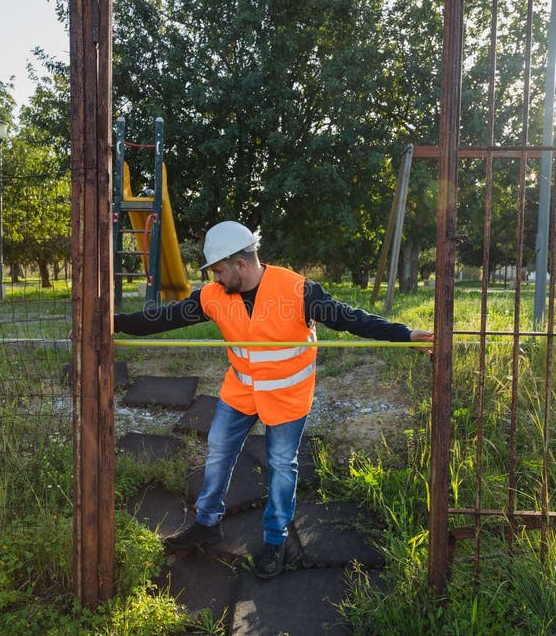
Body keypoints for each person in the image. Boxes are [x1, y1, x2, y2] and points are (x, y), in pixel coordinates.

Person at [113, 221, 433, 579]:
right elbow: (163, 318)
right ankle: (207, 522)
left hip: (286, 395)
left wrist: (403, 334)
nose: (214, 278)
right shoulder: (213, 296)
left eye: (218, 270)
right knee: (218, 448)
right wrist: (113, 323)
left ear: (241, 265)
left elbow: (350, 319)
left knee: (282, 464)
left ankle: (275, 539)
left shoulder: (299, 291)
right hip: (240, 392)